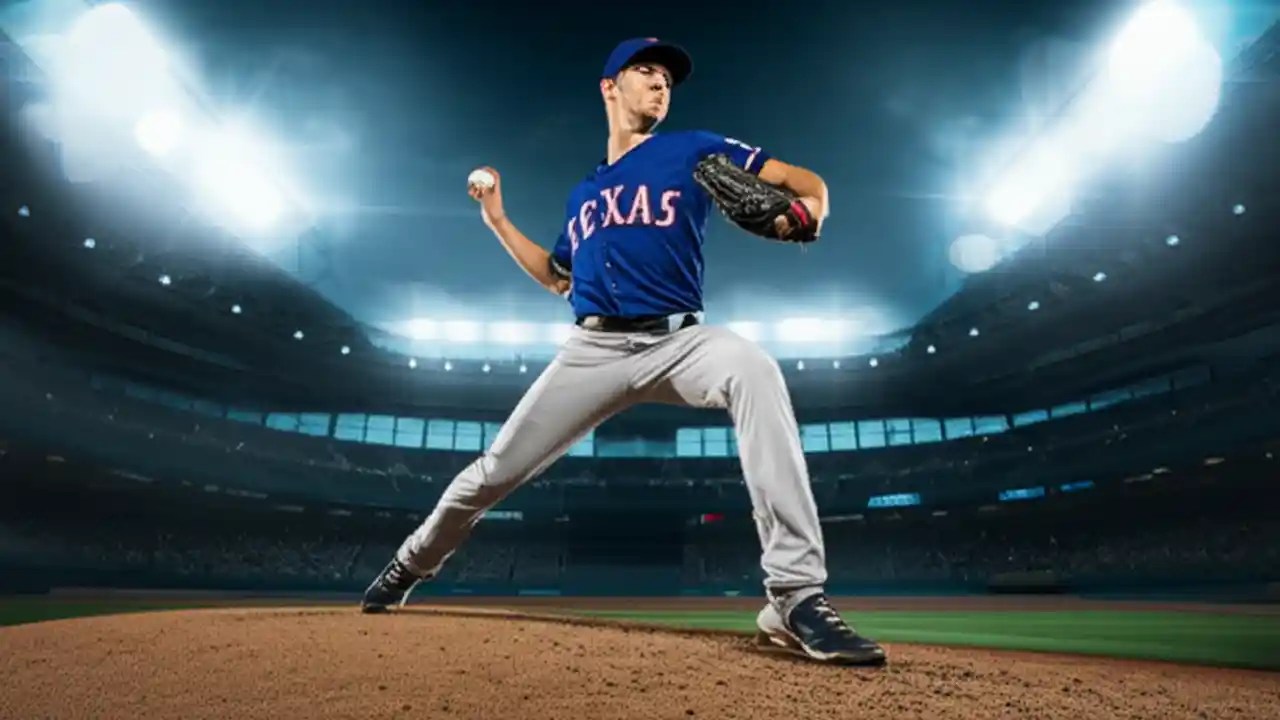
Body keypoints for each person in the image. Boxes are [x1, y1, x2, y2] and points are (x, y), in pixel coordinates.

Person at [362, 37, 886, 666]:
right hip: (594, 349)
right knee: (494, 471)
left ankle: (795, 597)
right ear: (609, 87)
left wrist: (811, 209)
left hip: (680, 341)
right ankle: (409, 563)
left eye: (668, 77)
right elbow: (557, 277)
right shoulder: (582, 196)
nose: (661, 82)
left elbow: (804, 181)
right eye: (646, 71)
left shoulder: (694, 149)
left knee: (754, 369)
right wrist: (498, 221)